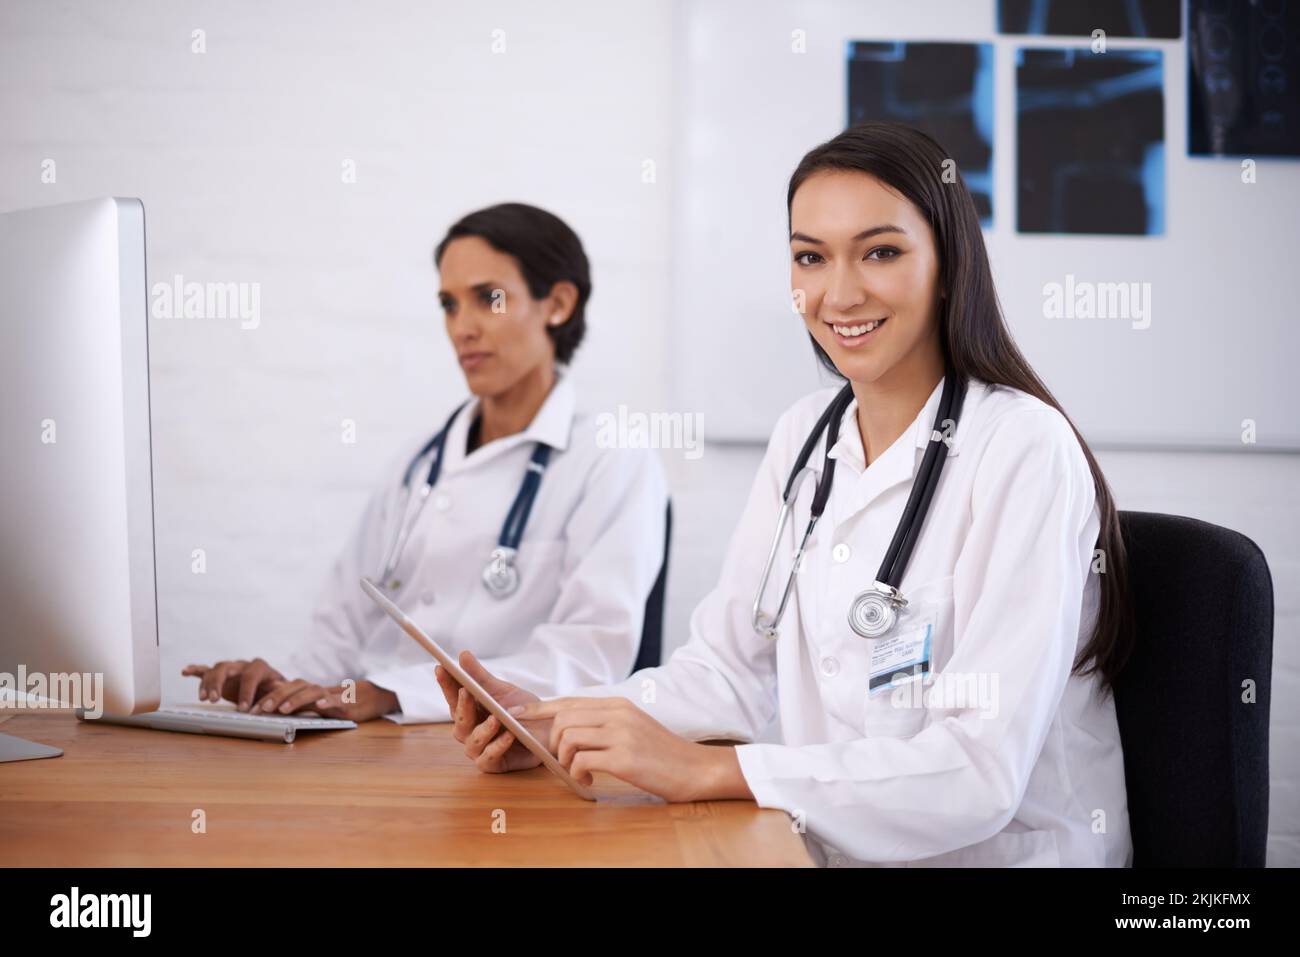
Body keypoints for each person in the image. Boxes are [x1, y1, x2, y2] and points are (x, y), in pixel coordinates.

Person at [437, 124, 1135, 867]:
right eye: (811, 256)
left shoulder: (1024, 448)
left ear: (946, 264)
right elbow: (729, 672)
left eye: (881, 252)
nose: (839, 292)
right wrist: (560, 722)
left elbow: (977, 771)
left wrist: (711, 769)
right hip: (812, 846)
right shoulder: (807, 436)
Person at [184, 203, 668, 724]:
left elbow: (587, 660)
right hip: (377, 746)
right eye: (448, 304)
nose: (462, 327)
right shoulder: (417, 465)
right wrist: (282, 687)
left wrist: (392, 693)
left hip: (508, 757)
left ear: (558, 304)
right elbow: (339, 631)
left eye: (488, 299)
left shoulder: (611, 459)